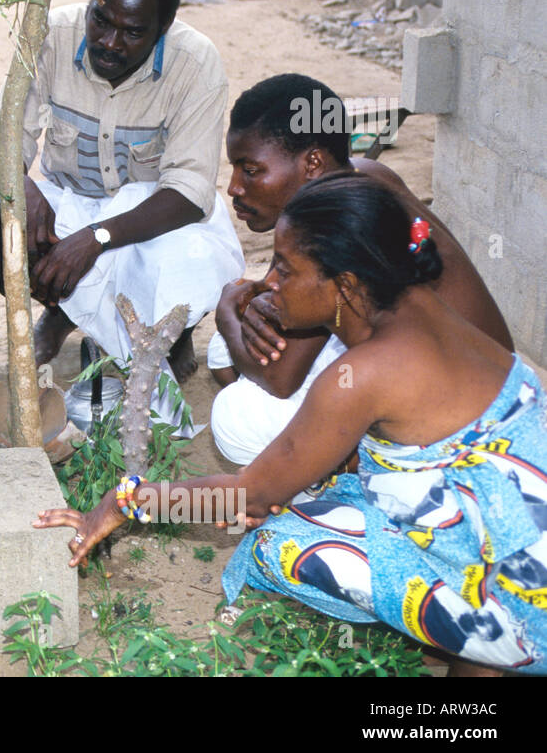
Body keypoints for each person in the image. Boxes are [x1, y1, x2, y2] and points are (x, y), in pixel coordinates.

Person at [37, 172, 547, 675]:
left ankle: (488, 642)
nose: (270, 283)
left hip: (530, 614)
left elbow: (248, 498)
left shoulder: (364, 375)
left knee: (279, 542)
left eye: (284, 268)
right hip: (515, 536)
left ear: (345, 284)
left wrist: (126, 501)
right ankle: (479, 644)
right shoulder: (418, 304)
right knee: (335, 486)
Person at [0, 0, 243, 405]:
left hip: (149, 225)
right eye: (101, 20)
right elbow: (0, 140)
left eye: (133, 32)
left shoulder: (196, 63)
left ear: (165, 26)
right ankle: (62, 313)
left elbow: (190, 190)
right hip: (64, 209)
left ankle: (167, 333)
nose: (109, 43)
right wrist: (24, 190)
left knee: (192, 259)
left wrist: (95, 239)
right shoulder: (51, 34)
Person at [210, 74, 514, 464]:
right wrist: (251, 308)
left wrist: (224, 313)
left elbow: (278, 379)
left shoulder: (332, 228)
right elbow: (281, 294)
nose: (234, 187)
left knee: (238, 415)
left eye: (250, 170)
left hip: (467, 425)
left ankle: (350, 464)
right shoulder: (362, 173)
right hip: (474, 376)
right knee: (229, 351)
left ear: (313, 163)